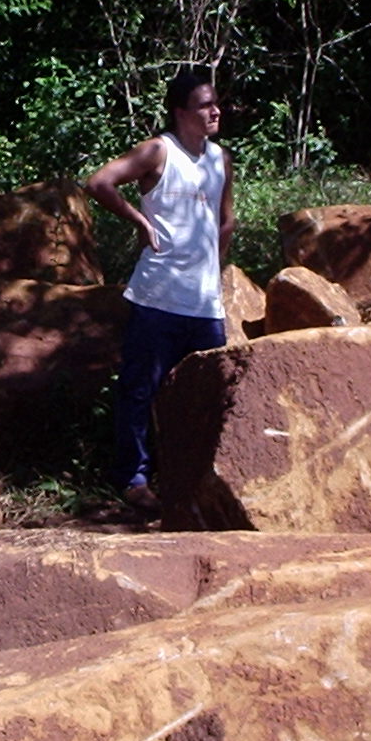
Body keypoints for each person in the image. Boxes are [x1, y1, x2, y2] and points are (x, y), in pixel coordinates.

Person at [85, 68, 234, 515]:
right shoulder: (158, 151)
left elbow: (226, 221)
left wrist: (213, 269)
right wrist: (139, 220)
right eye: (205, 105)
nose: (215, 111)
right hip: (157, 296)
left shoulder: (220, 159)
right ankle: (133, 478)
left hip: (204, 303)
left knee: (207, 394)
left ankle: (192, 478)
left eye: (216, 103)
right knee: (139, 389)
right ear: (180, 111)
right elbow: (99, 182)